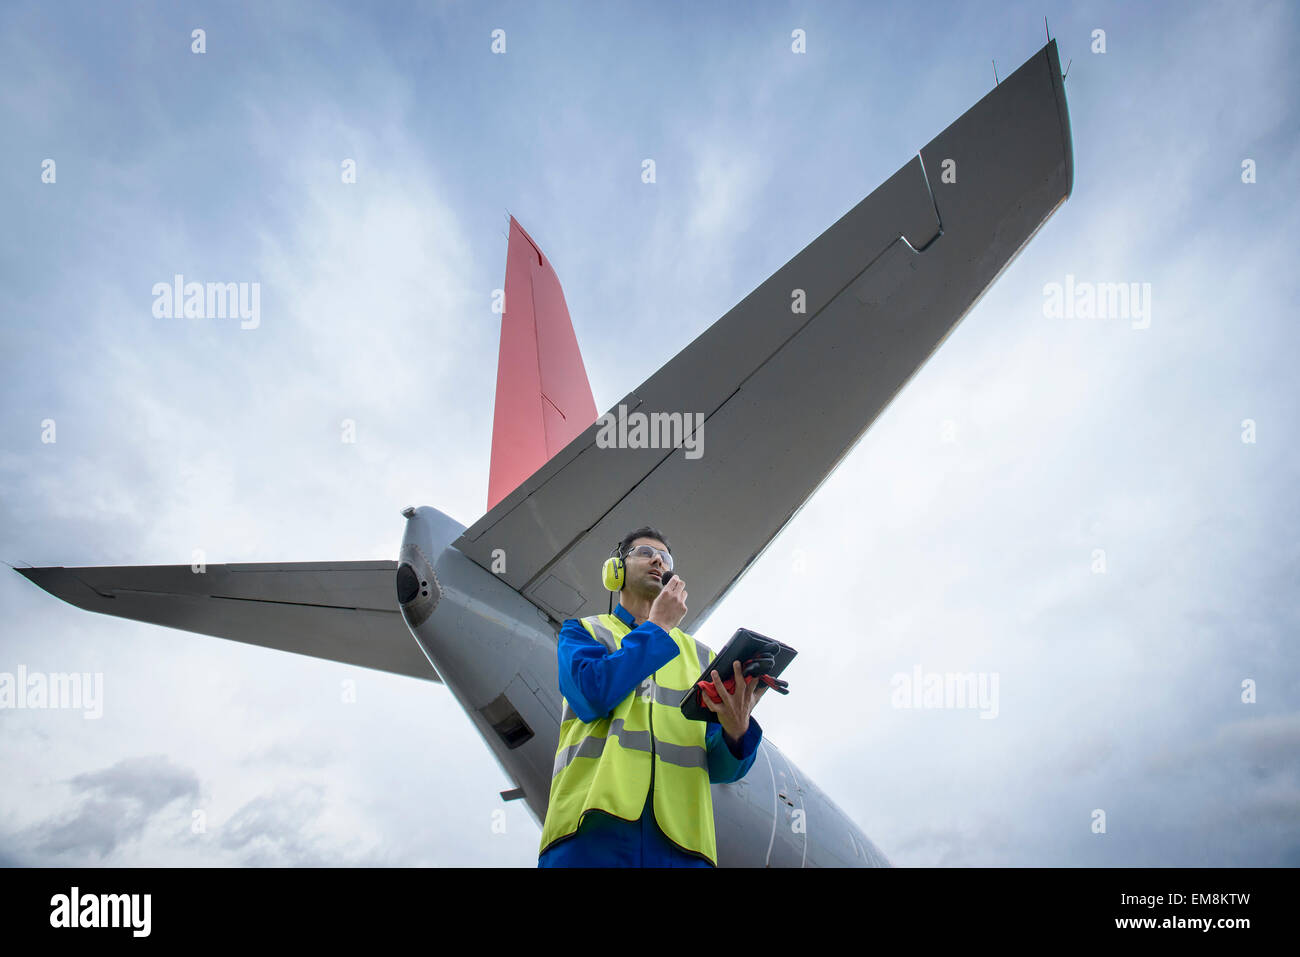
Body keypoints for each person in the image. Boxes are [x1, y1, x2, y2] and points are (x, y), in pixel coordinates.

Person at [537, 525, 767, 867]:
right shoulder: (582, 632)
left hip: (682, 845)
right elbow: (592, 694)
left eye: (665, 557)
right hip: (591, 832)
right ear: (615, 570)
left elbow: (720, 768)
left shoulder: (702, 659)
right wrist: (657, 629)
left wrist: (737, 731)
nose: (657, 559)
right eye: (644, 552)